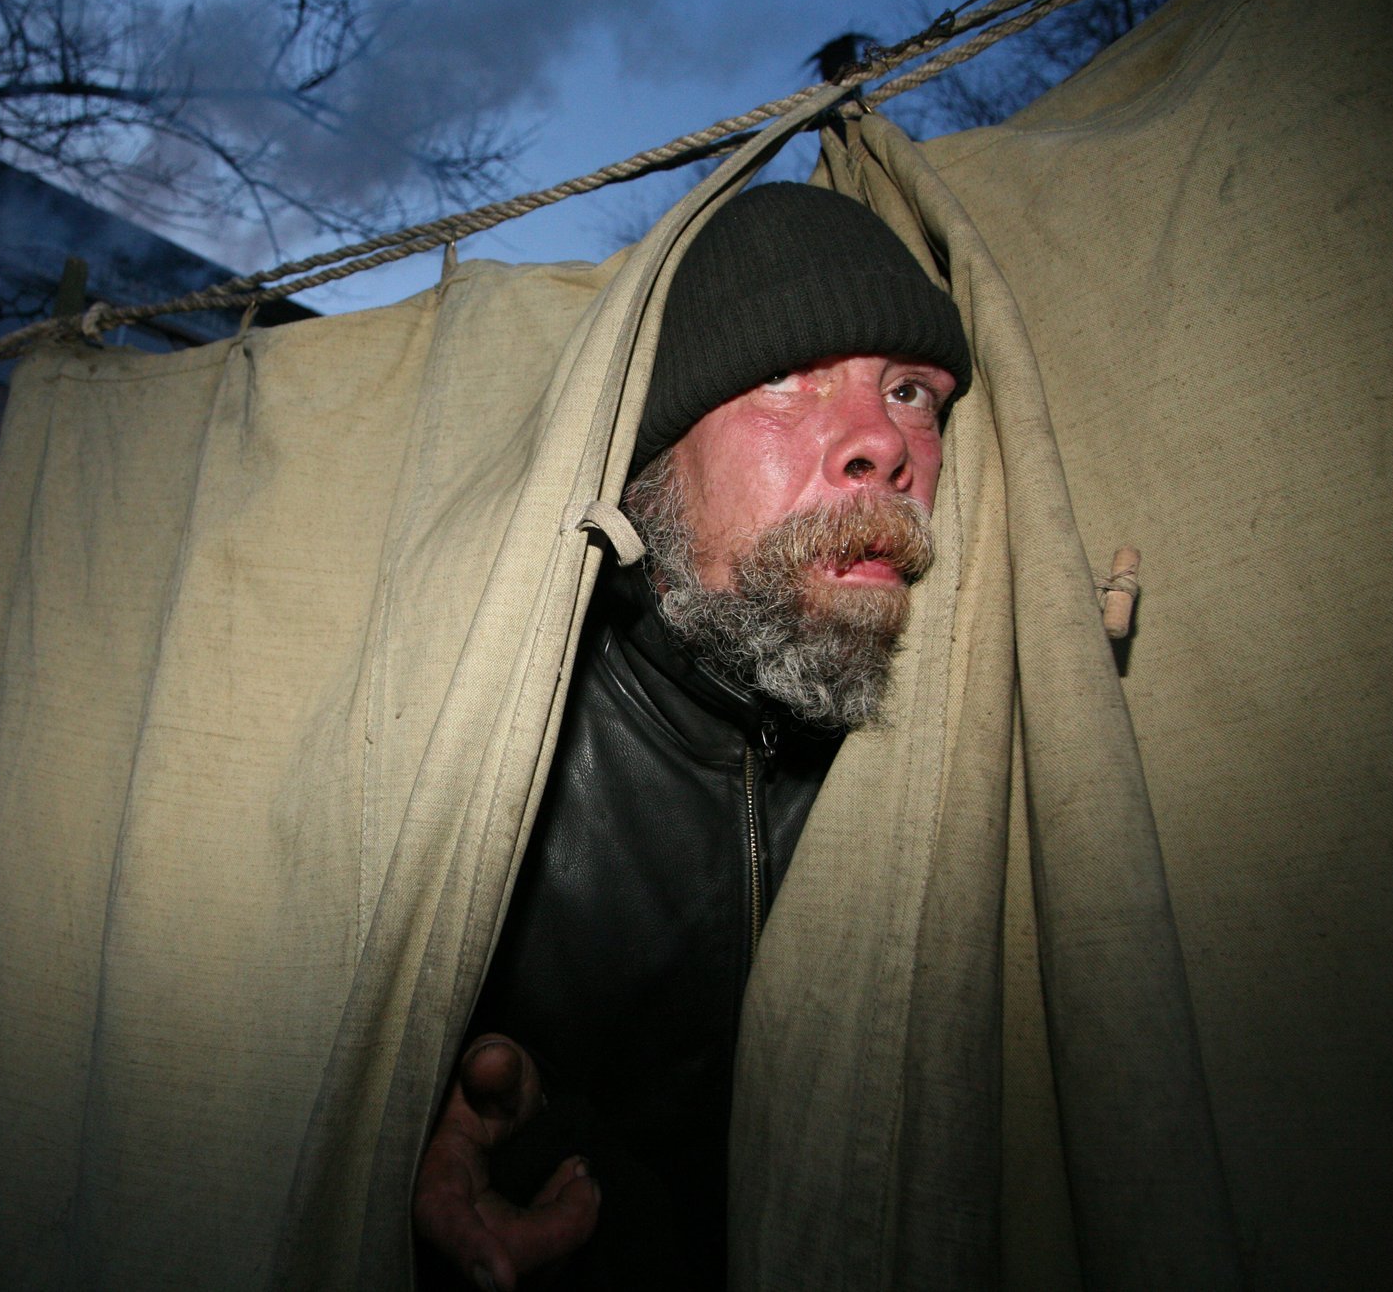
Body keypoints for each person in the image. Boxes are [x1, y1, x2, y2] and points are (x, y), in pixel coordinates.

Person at [411, 182, 973, 1291]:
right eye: (783, 379)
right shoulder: (498, 761)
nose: (880, 445)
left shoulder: (961, 751)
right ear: (654, 464)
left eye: (909, 392)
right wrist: (522, 1138)